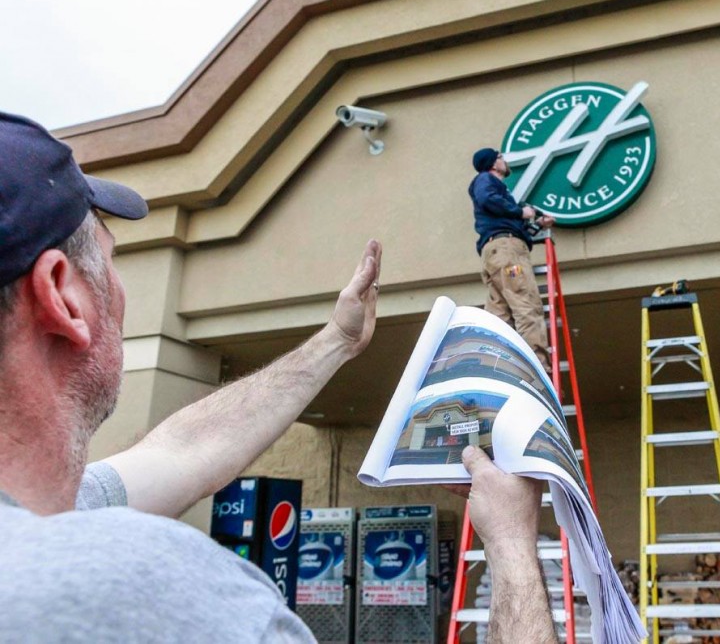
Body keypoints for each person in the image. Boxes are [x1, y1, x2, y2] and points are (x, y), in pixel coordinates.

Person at [0, 111, 555, 643]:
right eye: (110, 262)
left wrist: (335, 341)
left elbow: (183, 450)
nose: (121, 290)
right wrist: (511, 549)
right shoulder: (147, 595)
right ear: (63, 296)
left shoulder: (61, 509)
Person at [468, 147, 556, 373]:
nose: (504, 160)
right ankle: (537, 370)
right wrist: (520, 212)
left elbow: (509, 223)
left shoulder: (494, 195)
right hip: (507, 252)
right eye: (500, 157)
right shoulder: (486, 180)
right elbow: (488, 199)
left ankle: (498, 370)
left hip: (497, 254)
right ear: (493, 163)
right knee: (526, 306)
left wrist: (536, 224)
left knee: (500, 315)